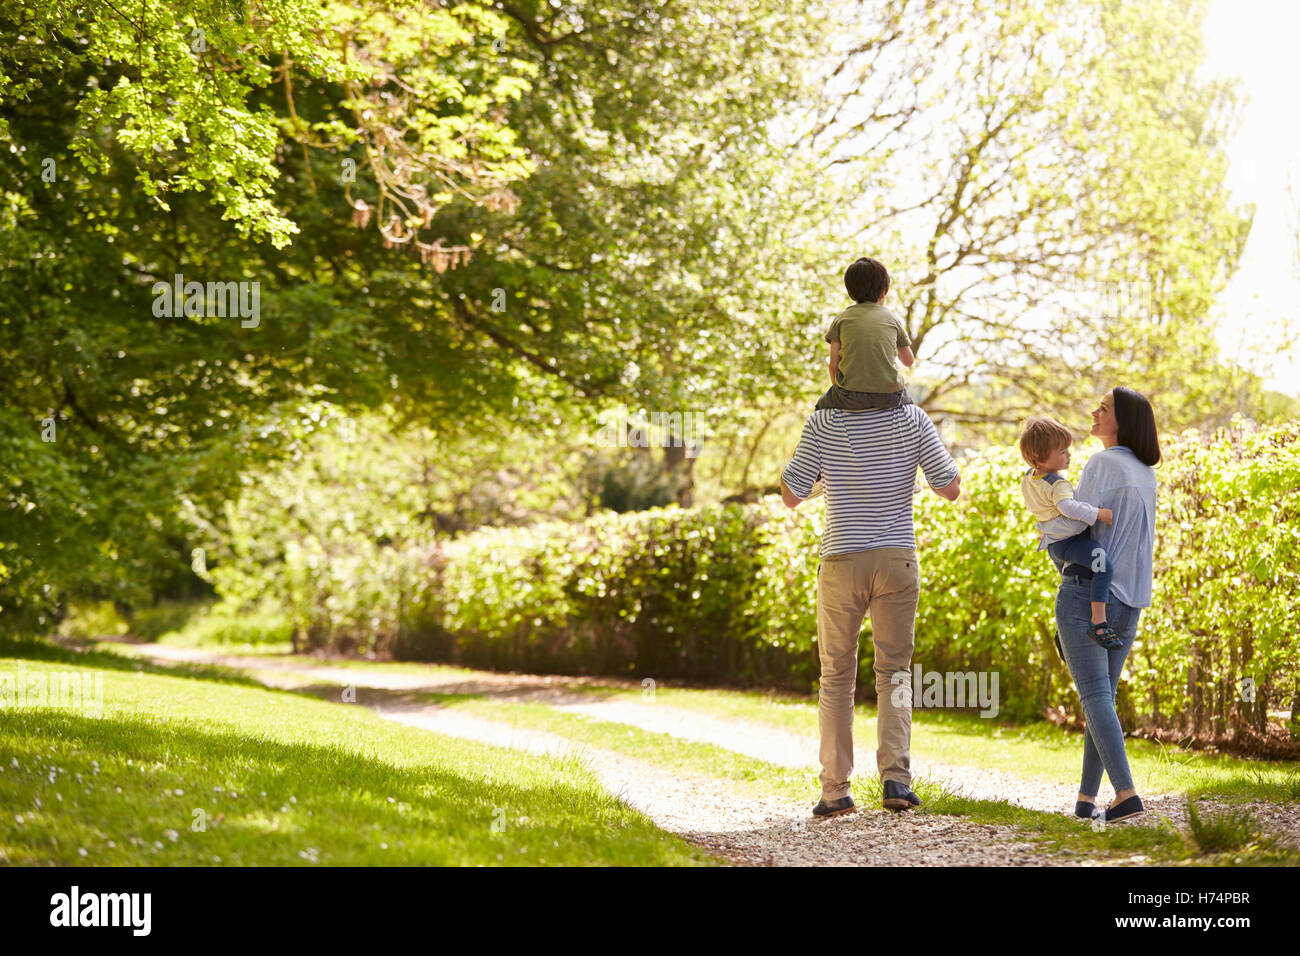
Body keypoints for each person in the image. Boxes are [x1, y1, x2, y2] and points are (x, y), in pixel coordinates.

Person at [780, 394, 960, 819]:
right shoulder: (912, 417)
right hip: (896, 558)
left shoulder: (823, 421)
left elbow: (791, 495)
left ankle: (835, 791)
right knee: (895, 672)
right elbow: (949, 488)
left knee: (836, 676)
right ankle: (896, 779)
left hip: (842, 559)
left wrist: (827, 474)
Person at [1056, 387, 1160, 824]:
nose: (1094, 412)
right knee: (1103, 701)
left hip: (1087, 594)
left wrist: (1051, 538)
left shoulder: (1101, 463)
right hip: (1130, 600)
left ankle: (1126, 793)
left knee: (1096, 696)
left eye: (1104, 408)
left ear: (1123, 420)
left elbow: (1070, 527)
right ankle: (1085, 799)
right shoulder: (1146, 473)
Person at [1017, 417, 1121, 648]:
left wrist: (1043, 525)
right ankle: (1099, 623)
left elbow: (1037, 506)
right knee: (1103, 568)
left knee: (1074, 587)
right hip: (1071, 541)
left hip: (1053, 544)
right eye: (1062, 452)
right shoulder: (1058, 484)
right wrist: (1098, 513)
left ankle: (1064, 633)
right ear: (1041, 459)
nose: (1069, 456)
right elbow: (1067, 507)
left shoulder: (1028, 478)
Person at [814, 257, 915, 412]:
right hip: (890, 396)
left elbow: (833, 366)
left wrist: (842, 393)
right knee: (911, 407)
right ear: (883, 291)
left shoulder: (841, 319)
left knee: (820, 406)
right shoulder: (893, 319)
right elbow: (908, 361)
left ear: (851, 293)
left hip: (849, 396)